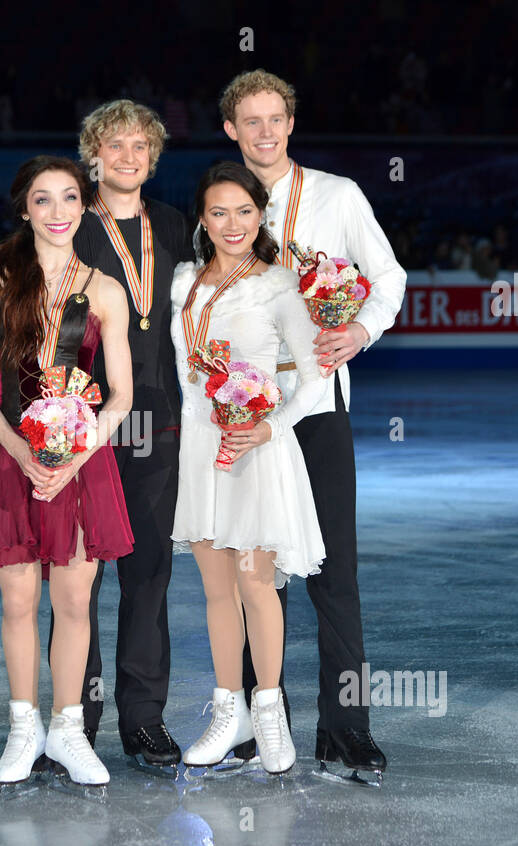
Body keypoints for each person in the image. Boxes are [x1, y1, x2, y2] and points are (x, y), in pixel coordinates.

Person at [220, 69, 406, 782]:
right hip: (246, 409)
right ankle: (252, 723)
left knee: (334, 573)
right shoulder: (224, 206)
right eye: (251, 121)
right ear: (231, 130)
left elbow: (388, 278)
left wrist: (359, 329)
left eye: (276, 119)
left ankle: (346, 729)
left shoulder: (337, 195)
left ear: (290, 124)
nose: (265, 132)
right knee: (252, 571)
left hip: (318, 404)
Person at [0, 156, 134, 786]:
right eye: (42, 200)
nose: (57, 213)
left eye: (68, 199)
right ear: (24, 208)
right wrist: (24, 451)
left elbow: (121, 397)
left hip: (83, 467)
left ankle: (68, 730)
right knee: (19, 599)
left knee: (74, 599)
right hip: (13, 457)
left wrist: (74, 456)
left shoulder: (107, 289)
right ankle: (23, 728)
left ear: (84, 205)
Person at [171, 161, 326, 774]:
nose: (232, 224)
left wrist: (267, 426)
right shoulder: (185, 283)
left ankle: (269, 714)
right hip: (201, 448)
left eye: (243, 211)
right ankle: (226, 707)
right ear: (202, 219)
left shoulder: (278, 286)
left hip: (256, 449)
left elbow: (317, 377)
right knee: (215, 591)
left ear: (260, 214)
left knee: (256, 585)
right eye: (218, 212)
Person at [57, 99, 192, 766]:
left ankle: (144, 718)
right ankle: (72, 717)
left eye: (141, 146)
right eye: (116, 145)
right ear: (94, 154)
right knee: (77, 578)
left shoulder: (173, 225)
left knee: (148, 574)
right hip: (86, 422)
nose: (129, 156)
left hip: (159, 419)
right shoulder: (71, 225)